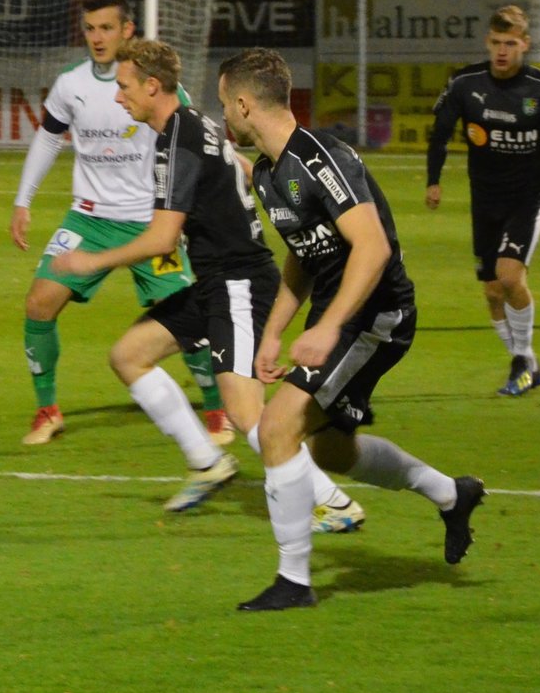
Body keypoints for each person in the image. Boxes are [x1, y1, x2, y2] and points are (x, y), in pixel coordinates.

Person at [51, 39, 363, 531]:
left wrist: (91, 261)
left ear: (152, 87)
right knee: (129, 355)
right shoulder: (196, 124)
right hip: (217, 280)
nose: (118, 96)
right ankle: (207, 462)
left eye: (125, 86)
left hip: (239, 282)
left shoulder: (177, 140)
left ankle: (332, 501)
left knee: (245, 412)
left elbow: (161, 239)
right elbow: (239, 168)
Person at [219, 48, 484, 612]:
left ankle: (294, 581)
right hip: (340, 316)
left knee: (276, 428)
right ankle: (451, 494)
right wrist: (275, 332)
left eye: (224, 105)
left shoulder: (321, 158)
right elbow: (303, 255)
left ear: (243, 104)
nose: (224, 116)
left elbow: (373, 246)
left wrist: (328, 327)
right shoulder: (267, 173)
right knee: (332, 450)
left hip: (376, 315)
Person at [11, 0, 228, 448]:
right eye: (90, 28)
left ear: (127, 30)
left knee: (184, 317)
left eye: (107, 28)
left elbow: (192, 136)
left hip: (152, 223)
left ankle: (216, 411)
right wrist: (23, 201)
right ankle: (48, 411)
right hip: (87, 220)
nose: (97, 37)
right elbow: (49, 138)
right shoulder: (70, 84)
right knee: (38, 303)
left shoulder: (154, 84)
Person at [426, 5, 540, 394]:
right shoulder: (464, 83)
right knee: (493, 292)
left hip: (529, 197)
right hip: (485, 199)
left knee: (511, 277)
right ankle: (527, 364)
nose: (501, 51)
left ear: (525, 44)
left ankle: (522, 362)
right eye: (496, 42)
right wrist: (433, 181)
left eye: (510, 43)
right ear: (487, 42)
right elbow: (440, 133)